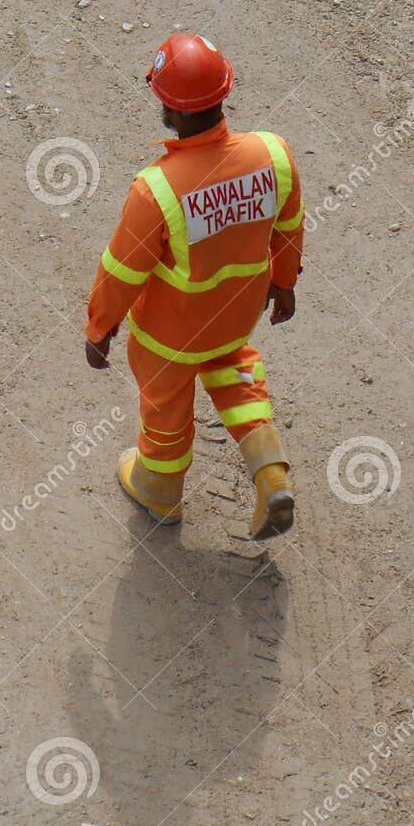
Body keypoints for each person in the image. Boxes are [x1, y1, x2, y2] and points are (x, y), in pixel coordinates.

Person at [85, 33, 303, 538]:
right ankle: (270, 473)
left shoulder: (156, 188)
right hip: (234, 315)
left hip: (170, 332)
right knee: (234, 370)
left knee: (166, 403)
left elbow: (122, 271)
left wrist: (100, 327)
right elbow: (289, 226)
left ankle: (159, 490)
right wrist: (285, 284)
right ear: (225, 91)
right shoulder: (273, 154)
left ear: (168, 107)